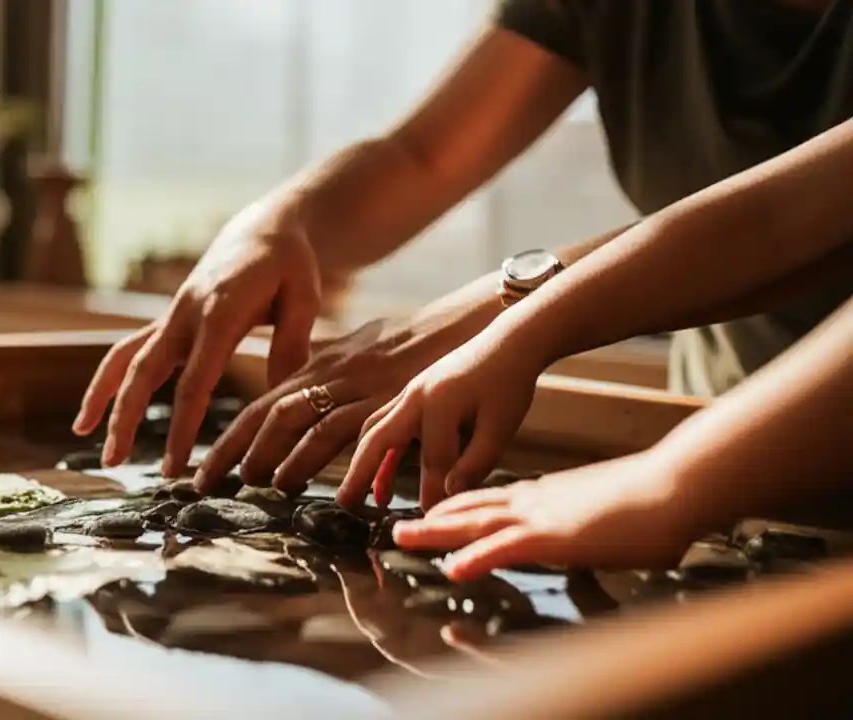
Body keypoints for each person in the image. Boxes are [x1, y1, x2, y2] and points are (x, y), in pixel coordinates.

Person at [74, 1, 853, 503]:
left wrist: (500, 311)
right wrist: (271, 225)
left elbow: (786, 222)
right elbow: (422, 157)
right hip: (707, 441)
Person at [386, 294, 853, 581]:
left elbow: (784, 220)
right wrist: (521, 329)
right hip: (702, 439)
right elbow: (767, 221)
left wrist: (673, 481)